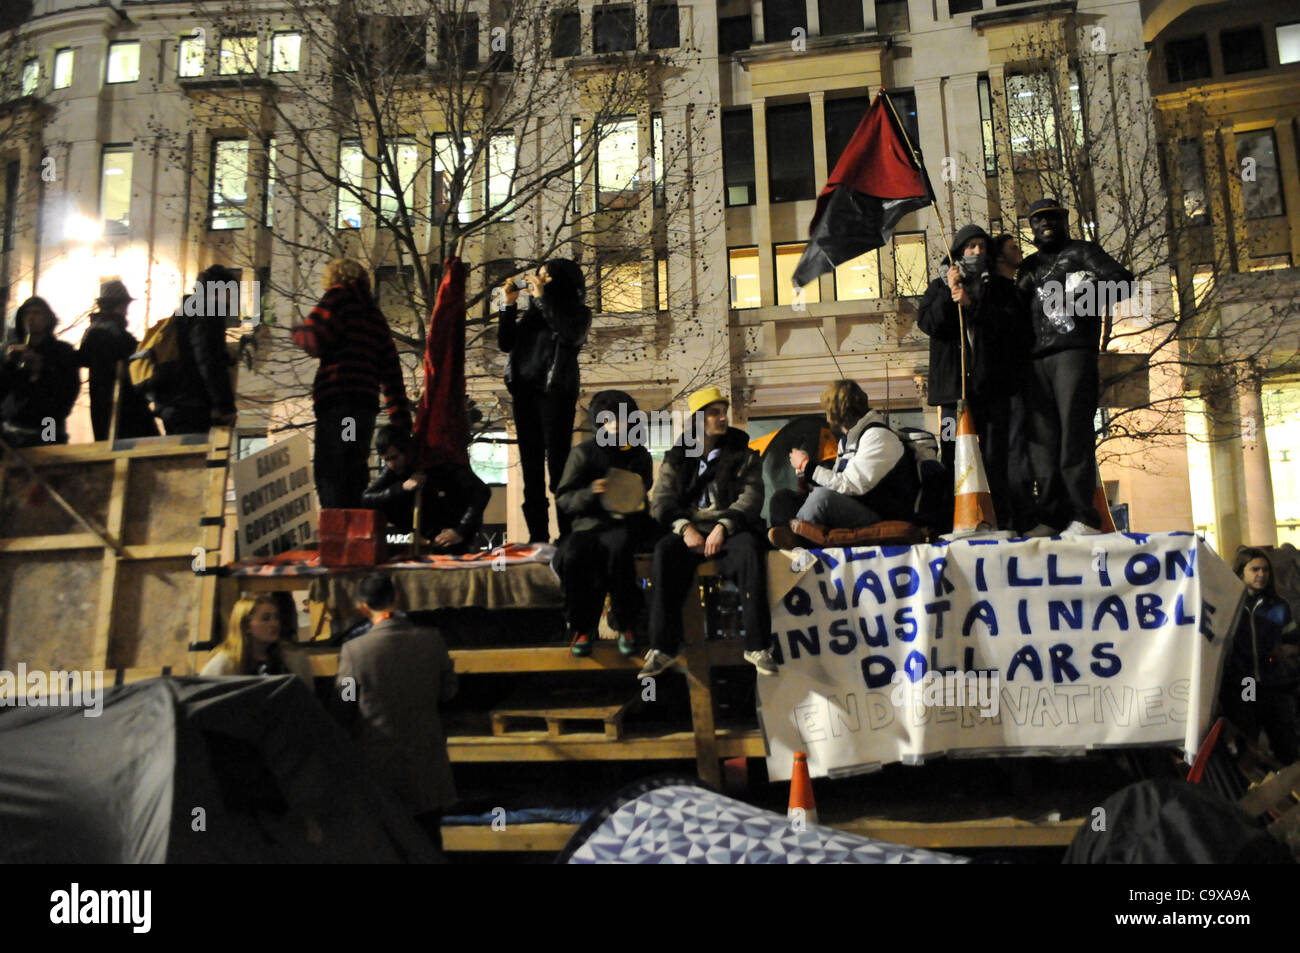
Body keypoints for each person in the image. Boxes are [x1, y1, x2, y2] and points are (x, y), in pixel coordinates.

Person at [1016, 198, 1134, 536]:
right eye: (1038, 221)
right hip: (1035, 360)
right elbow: (1014, 309)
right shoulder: (1030, 267)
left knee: (1074, 433)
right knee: (1043, 441)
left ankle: (1083, 515)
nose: (1045, 225)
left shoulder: (1083, 252)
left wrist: (1082, 296)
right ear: (1032, 228)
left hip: (1072, 353)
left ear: (1065, 221)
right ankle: (1051, 515)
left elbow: (1123, 281)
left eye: (1052, 218)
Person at [641, 386, 775, 678]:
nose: (722, 417)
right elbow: (661, 499)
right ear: (699, 419)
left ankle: (758, 645)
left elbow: (751, 496)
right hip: (689, 530)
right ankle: (663, 646)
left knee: (751, 551)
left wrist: (722, 527)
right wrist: (684, 528)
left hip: (729, 528)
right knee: (664, 552)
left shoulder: (742, 453)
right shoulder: (678, 456)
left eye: (723, 411)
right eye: (714, 412)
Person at [918, 224, 1034, 532]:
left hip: (991, 392)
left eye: (982, 246)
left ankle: (1000, 518)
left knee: (995, 456)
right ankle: (952, 519)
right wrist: (949, 295)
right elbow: (929, 324)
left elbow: (1010, 329)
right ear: (957, 251)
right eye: (970, 246)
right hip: (951, 397)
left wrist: (972, 306)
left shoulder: (1000, 289)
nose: (977, 252)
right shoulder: (939, 287)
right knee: (951, 454)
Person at [333, 573, 458, 853]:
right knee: (428, 846)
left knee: (388, 848)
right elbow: (448, 691)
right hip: (428, 766)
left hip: (380, 769)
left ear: (363, 606)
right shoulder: (431, 640)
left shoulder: (355, 651)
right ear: (397, 598)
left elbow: (345, 704)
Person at [292, 258, 411, 509]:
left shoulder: (337, 299)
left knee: (332, 467)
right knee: (353, 462)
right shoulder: (375, 316)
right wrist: (401, 420)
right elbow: (391, 371)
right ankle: (354, 521)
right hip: (362, 409)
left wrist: (297, 332)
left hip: (340, 402)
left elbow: (315, 337)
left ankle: (338, 525)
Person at [552, 390, 657, 658]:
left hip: (626, 523)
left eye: (622, 418)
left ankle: (626, 624)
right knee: (574, 555)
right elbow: (564, 498)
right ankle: (582, 628)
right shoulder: (583, 453)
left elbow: (642, 489)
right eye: (611, 419)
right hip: (587, 525)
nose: (617, 424)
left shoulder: (639, 455)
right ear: (600, 422)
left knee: (618, 550)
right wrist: (591, 492)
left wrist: (626, 491)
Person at [497, 259, 591, 542]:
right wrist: (508, 305)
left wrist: (541, 300)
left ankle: (566, 533)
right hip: (524, 392)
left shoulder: (578, 313)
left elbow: (571, 334)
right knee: (531, 467)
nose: (538, 282)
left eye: (545, 278)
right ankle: (537, 536)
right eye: (538, 278)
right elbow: (505, 343)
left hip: (556, 393)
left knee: (559, 466)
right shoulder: (533, 314)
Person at [768, 380, 922, 548]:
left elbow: (851, 485)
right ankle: (788, 537)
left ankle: (796, 540)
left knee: (822, 498)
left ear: (839, 414)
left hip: (878, 514)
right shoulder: (849, 440)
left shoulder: (877, 437)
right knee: (782, 498)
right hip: (855, 504)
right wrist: (808, 480)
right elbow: (837, 482)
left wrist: (807, 465)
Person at [1220, 548, 1300, 764]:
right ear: (1241, 572)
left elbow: (1293, 641)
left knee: (1285, 741)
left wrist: (1286, 650)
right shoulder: (1229, 606)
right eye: (1255, 569)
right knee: (1249, 735)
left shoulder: (1279, 606)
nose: (1261, 574)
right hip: (1246, 682)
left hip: (1275, 682)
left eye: (1265, 570)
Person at [362, 425, 490, 554]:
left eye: (394, 458)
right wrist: (401, 487)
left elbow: (481, 491)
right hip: (426, 534)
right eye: (386, 460)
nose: (391, 465)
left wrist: (460, 531)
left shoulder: (440, 462)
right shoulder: (392, 470)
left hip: (456, 530)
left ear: (407, 450)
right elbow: (367, 499)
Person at [153, 264, 239, 435]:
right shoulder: (209, 312)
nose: (233, 300)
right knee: (197, 459)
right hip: (192, 405)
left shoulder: (185, 312)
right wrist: (225, 406)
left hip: (175, 402)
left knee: (182, 459)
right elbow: (208, 360)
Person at [77, 279, 159, 441]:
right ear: (120, 305)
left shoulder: (93, 332)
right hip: (125, 412)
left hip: (106, 412)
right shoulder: (113, 335)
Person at [0, 296, 80, 447]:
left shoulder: (62, 351)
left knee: (46, 459)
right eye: (27, 313)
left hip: (48, 425)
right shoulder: (8, 350)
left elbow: (67, 392)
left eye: (37, 313)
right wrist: (8, 364)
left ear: (48, 319)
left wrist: (40, 370)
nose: (31, 318)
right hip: (13, 428)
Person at [201, 594, 314, 685]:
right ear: (246, 626)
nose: (274, 623)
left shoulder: (291, 660)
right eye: (266, 619)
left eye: (276, 617)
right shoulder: (224, 664)